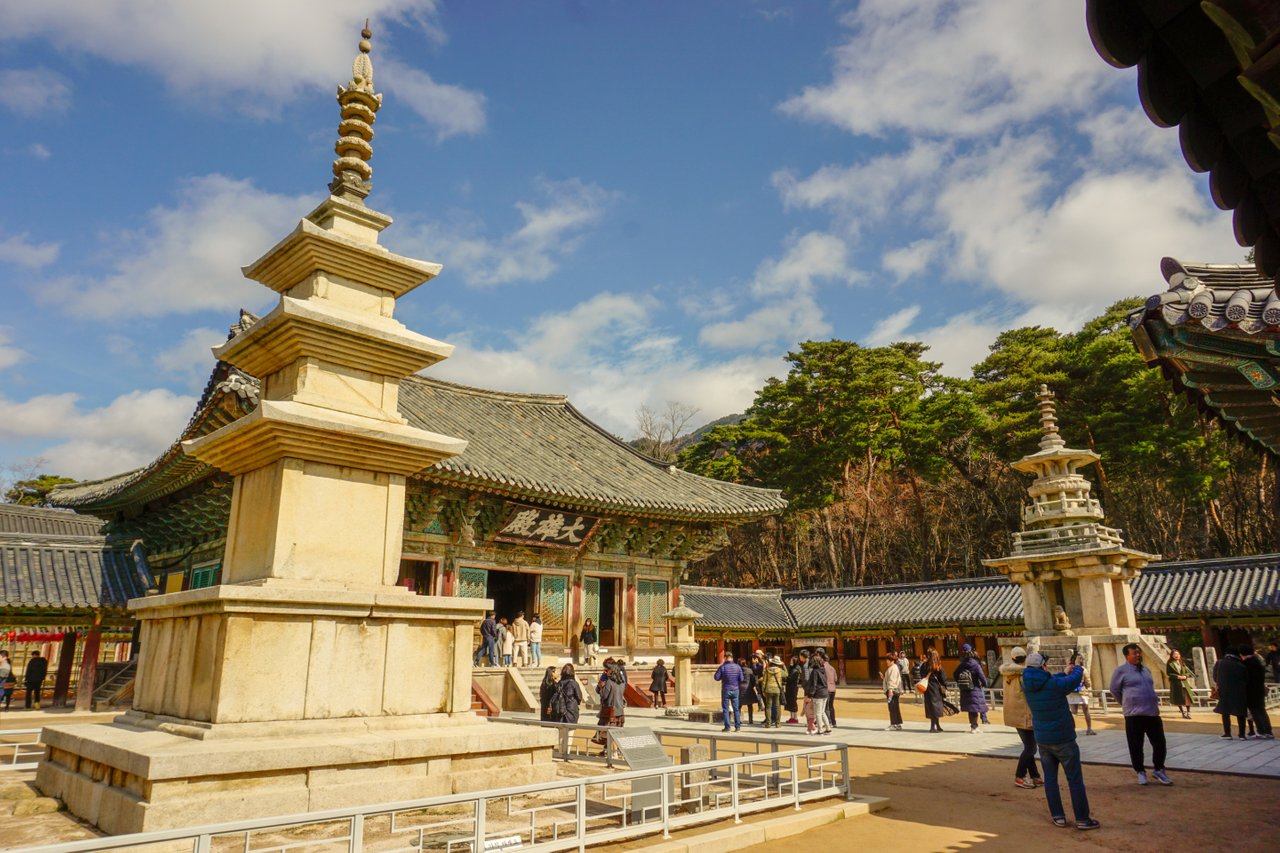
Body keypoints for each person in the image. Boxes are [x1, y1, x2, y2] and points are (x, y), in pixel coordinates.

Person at [1023, 651, 1098, 830]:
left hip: (1043, 738)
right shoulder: (1054, 684)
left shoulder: (1026, 683)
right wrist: (1078, 666)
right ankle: (1082, 818)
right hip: (1063, 738)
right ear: (1043, 666)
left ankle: (1058, 816)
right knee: (1074, 779)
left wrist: (1065, 671)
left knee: (1050, 779)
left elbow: (1051, 680)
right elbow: (1072, 682)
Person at [1109, 643, 1172, 786]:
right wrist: (1127, 702)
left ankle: (1159, 769)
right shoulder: (1121, 671)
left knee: (1159, 743)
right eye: (1134, 653)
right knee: (1136, 744)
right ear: (1127, 656)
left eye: (1139, 653)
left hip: (1152, 713)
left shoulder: (1146, 670)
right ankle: (1140, 771)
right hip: (1134, 714)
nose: (1138, 655)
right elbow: (1114, 690)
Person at [1000, 646, 1041, 789]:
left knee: (1029, 746)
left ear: (1012, 658)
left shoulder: (1006, 673)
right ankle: (1020, 775)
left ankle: (1035, 776)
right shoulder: (1025, 674)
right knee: (1031, 747)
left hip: (1014, 713)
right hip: (1026, 713)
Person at [1213, 646, 1248, 740]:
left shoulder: (1220, 663)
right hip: (1239, 691)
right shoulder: (1241, 664)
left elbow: (1215, 677)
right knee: (1240, 713)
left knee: (1225, 712)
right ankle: (1242, 734)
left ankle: (1227, 733)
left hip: (1224, 691)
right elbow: (1246, 678)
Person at [1242, 646, 1274, 739]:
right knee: (1262, 710)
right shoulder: (1258, 662)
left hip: (1250, 691)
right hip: (1259, 689)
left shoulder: (1245, 664)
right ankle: (1268, 731)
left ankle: (1261, 731)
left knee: (1255, 712)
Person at [956, 644, 989, 733]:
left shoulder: (962, 665)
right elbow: (982, 676)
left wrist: (960, 682)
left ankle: (973, 726)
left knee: (971, 709)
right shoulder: (976, 664)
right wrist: (984, 684)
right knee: (975, 708)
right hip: (975, 687)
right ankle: (975, 726)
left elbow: (955, 674)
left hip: (965, 688)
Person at [714, 651, 743, 732]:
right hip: (735, 689)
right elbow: (741, 679)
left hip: (726, 689)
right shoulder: (738, 667)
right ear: (732, 658)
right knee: (736, 709)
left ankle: (727, 727)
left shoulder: (722, 667)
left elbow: (716, 677)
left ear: (725, 658)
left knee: (725, 709)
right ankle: (737, 727)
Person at [921, 648, 948, 733]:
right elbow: (943, 678)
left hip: (927, 688)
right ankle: (933, 727)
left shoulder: (924, 665)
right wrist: (944, 686)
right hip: (936, 688)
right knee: (936, 708)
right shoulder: (938, 666)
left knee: (931, 707)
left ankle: (937, 725)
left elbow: (921, 675)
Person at [1066, 654, 1095, 735]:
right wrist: (1088, 688)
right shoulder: (1083, 669)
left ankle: (1072, 729)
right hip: (1082, 692)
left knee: (1073, 712)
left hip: (1071, 692)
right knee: (1086, 711)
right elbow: (1088, 682)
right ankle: (1089, 729)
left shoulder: (1069, 669)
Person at [804, 650, 831, 735]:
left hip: (818, 694)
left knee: (818, 713)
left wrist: (810, 695)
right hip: (825, 693)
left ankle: (820, 729)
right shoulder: (823, 670)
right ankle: (828, 727)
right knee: (822, 712)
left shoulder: (815, 671)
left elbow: (814, 685)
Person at [1166, 649, 1195, 720]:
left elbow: (1187, 672)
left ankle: (1188, 712)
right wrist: (1177, 676)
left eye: (1178, 654)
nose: (1177, 656)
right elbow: (1168, 673)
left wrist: (1185, 676)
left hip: (1184, 682)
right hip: (1176, 683)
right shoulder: (1170, 663)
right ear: (1172, 656)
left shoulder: (1182, 662)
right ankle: (1183, 712)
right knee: (1178, 697)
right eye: (1175, 654)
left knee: (1187, 697)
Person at [882, 650, 904, 731]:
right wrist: (884, 678)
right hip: (894, 690)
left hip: (892, 690)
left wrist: (890, 690)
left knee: (892, 707)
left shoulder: (893, 668)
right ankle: (898, 724)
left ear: (892, 661)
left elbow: (892, 680)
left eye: (887, 660)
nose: (886, 662)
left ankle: (893, 724)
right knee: (895, 707)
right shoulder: (892, 668)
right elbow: (890, 679)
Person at [762, 655, 785, 727]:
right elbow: (786, 674)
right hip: (777, 689)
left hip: (768, 689)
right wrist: (783, 666)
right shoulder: (780, 670)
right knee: (777, 706)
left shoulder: (767, 670)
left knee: (768, 706)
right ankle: (777, 723)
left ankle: (768, 723)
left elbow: (764, 681)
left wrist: (763, 690)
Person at [739, 657, 760, 725]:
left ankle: (738, 719)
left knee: (739, 705)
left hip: (740, 689)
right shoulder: (750, 670)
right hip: (748, 688)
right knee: (750, 705)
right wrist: (754, 686)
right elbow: (753, 679)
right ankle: (750, 720)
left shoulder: (738, 670)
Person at [821, 650, 839, 729]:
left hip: (826, 689)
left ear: (822, 659)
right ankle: (834, 722)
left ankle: (829, 722)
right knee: (831, 706)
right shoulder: (832, 668)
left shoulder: (822, 668)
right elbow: (836, 679)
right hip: (833, 689)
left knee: (826, 707)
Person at [784, 654, 802, 724]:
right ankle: (792, 717)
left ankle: (795, 717)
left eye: (792, 660)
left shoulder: (795, 670)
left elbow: (790, 678)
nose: (790, 662)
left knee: (793, 702)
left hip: (793, 688)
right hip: (790, 687)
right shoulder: (792, 668)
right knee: (790, 702)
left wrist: (785, 678)